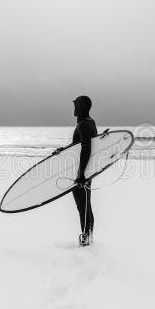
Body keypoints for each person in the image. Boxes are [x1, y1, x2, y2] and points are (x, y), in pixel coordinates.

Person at [54, 95, 96, 246]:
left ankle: (86, 237)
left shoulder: (84, 124)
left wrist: (81, 174)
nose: (74, 108)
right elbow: (78, 146)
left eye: (76, 105)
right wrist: (63, 150)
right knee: (85, 204)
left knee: (82, 205)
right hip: (85, 170)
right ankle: (88, 236)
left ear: (82, 107)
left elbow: (86, 148)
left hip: (81, 171)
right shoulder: (89, 122)